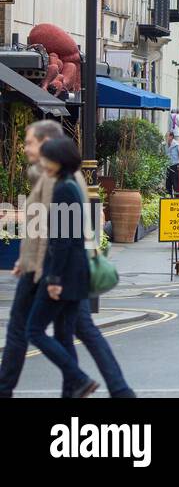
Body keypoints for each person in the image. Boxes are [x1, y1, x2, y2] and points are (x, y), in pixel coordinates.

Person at [0, 120, 72, 397]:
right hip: (39, 265)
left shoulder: (56, 178)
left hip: (45, 267)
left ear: (45, 143)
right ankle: (78, 384)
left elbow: (55, 226)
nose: (24, 147)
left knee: (27, 329)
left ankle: (78, 381)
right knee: (67, 331)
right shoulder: (44, 174)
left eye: (29, 142)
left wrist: (46, 272)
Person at [24, 136, 98, 397]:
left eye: (47, 157)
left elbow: (63, 238)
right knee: (64, 335)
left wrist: (54, 278)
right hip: (75, 273)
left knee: (34, 329)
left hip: (64, 274)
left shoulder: (63, 189)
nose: (42, 162)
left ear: (57, 160)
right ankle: (73, 390)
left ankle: (79, 378)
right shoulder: (69, 186)